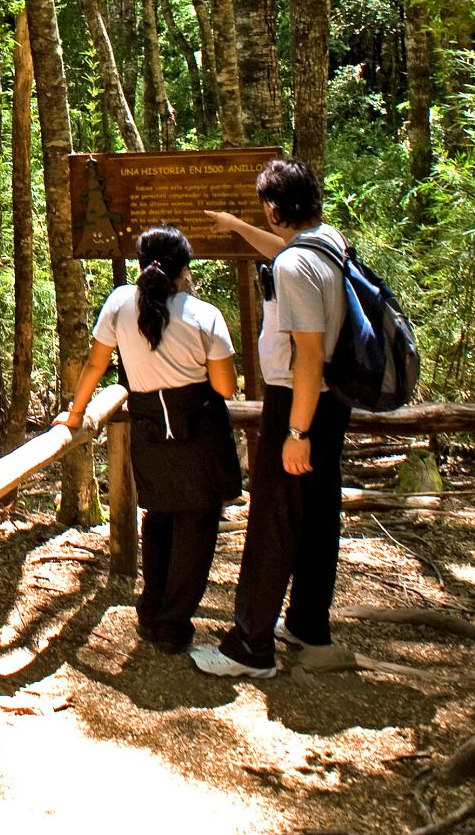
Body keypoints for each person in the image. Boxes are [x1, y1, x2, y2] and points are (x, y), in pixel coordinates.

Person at [187, 157, 352, 679]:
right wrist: (237, 229)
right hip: (331, 403)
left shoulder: (293, 269)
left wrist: (295, 432)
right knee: (319, 515)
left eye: (264, 208)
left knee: (272, 523)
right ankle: (307, 625)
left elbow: (308, 352)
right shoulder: (327, 242)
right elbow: (285, 250)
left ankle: (250, 645)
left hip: (298, 402)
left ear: (277, 207)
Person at [56, 225, 242, 652]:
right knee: (196, 528)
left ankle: (150, 612)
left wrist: (75, 414)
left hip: (149, 431)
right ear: (185, 269)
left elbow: (94, 364)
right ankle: (173, 625)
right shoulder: (204, 315)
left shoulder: (120, 302)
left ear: (141, 264)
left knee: (158, 520)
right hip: (198, 433)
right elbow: (226, 387)